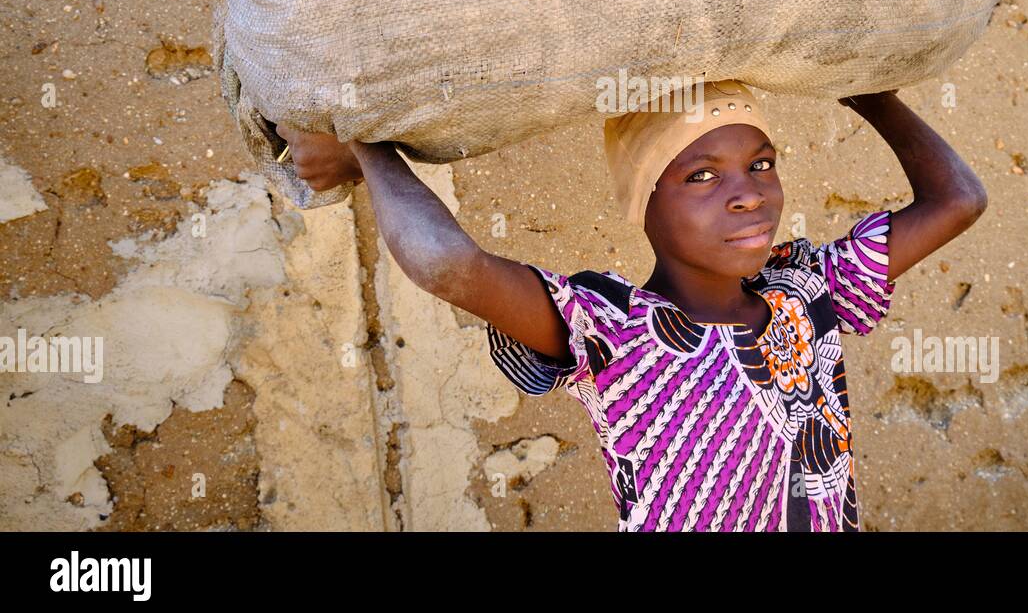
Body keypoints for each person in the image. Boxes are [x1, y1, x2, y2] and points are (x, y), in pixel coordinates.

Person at [277, 79, 986, 531]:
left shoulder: (804, 293)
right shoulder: (614, 328)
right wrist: (365, 152)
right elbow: (448, 265)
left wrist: (863, 88)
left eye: (760, 164)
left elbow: (959, 201)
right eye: (701, 176)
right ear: (644, 205)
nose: (748, 194)